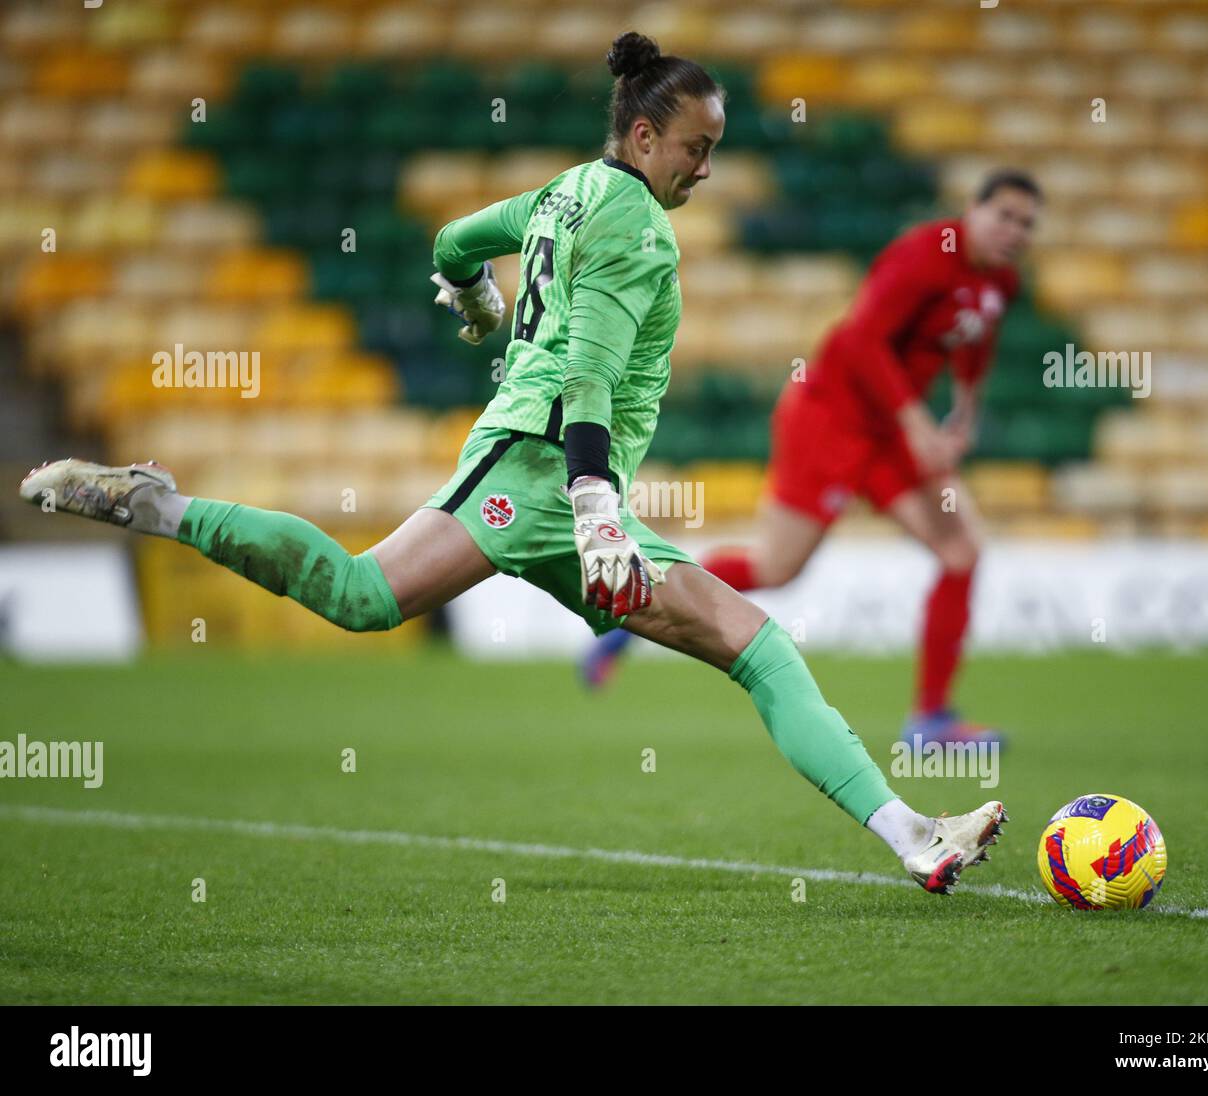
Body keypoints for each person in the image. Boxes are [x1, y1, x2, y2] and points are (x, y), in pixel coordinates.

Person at [20, 32, 1006, 894]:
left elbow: (451, 240)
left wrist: (478, 303)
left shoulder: (561, 194)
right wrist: (594, 509)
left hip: (504, 464)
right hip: (551, 476)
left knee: (362, 594)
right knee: (760, 651)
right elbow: (587, 375)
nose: (704, 171)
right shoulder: (638, 229)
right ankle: (913, 835)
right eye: (697, 150)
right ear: (646, 137)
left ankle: (163, 508)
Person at [584, 171, 1043, 749]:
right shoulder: (926, 255)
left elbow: (977, 342)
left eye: (1026, 223)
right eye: (1004, 215)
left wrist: (966, 411)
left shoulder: (999, 280)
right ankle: (638, 605)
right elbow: (859, 340)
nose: (1014, 231)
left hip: (887, 430)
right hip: (828, 418)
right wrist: (918, 422)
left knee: (960, 551)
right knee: (777, 569)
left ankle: (930, 721)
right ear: (972, 212)